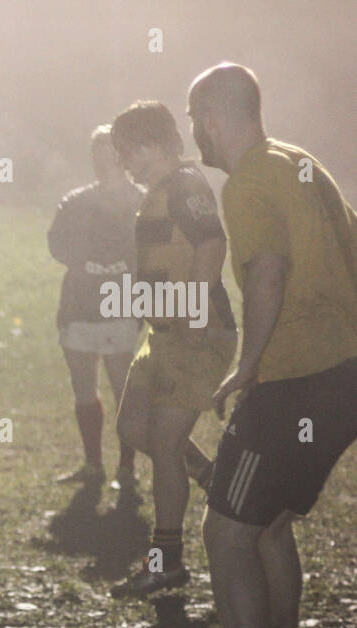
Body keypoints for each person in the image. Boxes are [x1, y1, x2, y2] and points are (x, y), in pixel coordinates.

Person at [189, 63, 357, 628]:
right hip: (345, 376)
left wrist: (246, 365)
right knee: (269, 524)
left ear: (211, 117)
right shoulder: (301, 162)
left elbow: (266, 272)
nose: (194, 135)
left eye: (192, 118)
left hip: (295, 381)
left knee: (225, 532)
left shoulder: (249, 179)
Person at [108, 102, 239, 599]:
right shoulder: (159, 193)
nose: (125, 164)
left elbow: (212, 244)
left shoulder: (186, 185)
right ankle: (214, 478)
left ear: (158, 144)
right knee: (132, 429)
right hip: (161, 336)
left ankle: (166, 562)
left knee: (163, 443)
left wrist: (195, 312)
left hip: (197, 333)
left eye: (129, 152)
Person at [47, 125, 144, 490]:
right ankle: (92, 465)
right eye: (97, 155)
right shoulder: (75, 201)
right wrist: (85, 258)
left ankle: (127, 469)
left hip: (120, 306)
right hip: (78, 305)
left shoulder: (142, 201)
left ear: (124, 156)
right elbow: (56, 244)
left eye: (111, 154)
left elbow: (153, 253)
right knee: (83, 389)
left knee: (123, 390)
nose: (103, 162)